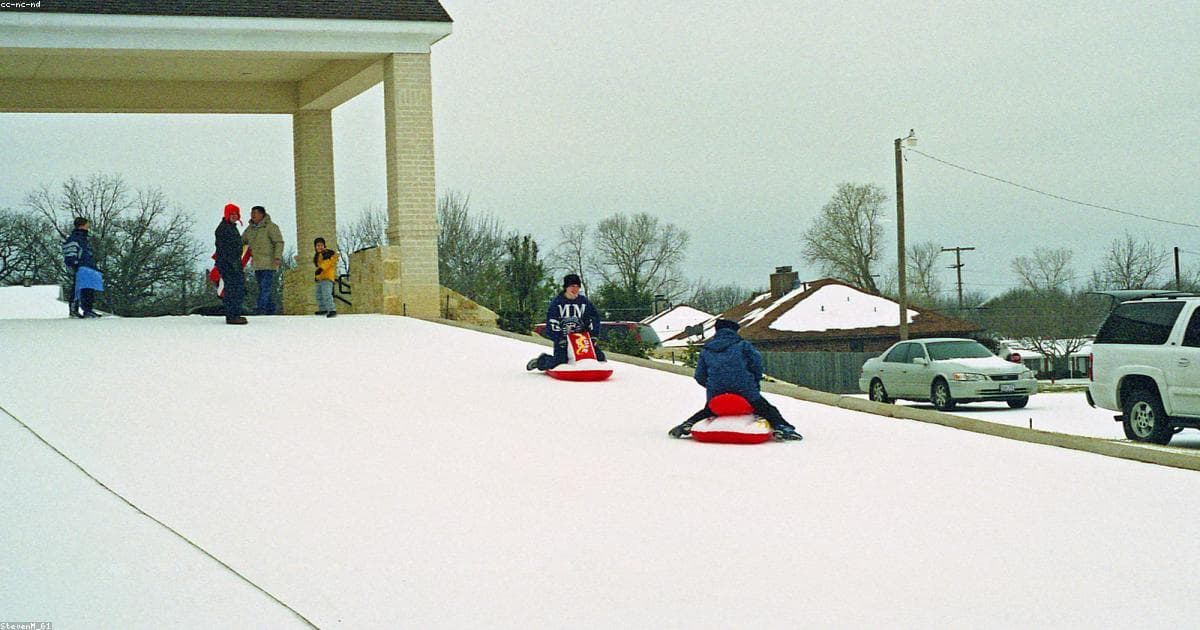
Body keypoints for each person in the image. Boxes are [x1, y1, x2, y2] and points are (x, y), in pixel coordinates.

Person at [669, 318, 802, 441]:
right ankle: (782, 427)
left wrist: (712, 385)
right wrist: (753, 382)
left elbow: (699, 375)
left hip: (716, 390)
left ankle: (688, 424)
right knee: (765, 408)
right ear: (734, 331)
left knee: (709, 410)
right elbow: (757, 365)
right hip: (743, 387)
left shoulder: (707, 349)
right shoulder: (743, 345)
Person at [526, 273, 606, 371]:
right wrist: (559, 338)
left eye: (577, 286)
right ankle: (541, 361)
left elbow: (594, 319)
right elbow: (551, 322)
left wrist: (593, 336)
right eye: (572, 286)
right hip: (563, 339)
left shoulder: (584, 302)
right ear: (566, 287)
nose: (575, 289)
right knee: (560, 361)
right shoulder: (557, 303)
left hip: (581, 339)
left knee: (600, 357)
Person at [241, 204, 284, 315]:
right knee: (262, 287)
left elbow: (279, 242)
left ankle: (261, 308)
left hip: (269, 263)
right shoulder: (249, 229)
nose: (252, 215)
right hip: (257, 263)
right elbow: (242, 241)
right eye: (251, 213)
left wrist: (277, 256)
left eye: (255, 213)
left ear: (262, 214)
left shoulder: (271, 227)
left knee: (265, 287)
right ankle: (271, 309)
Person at [62, 217, 103, 318]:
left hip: (88, 267)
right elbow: (69, 253)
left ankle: (88, 310)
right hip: (81, 267)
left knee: (89, 288)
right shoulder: (75, 238)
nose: (89, 226)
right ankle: (74, 310)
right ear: (83, 225)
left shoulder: (84, 239)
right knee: (77, 288)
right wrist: (74, 264)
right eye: (87, 224)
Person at [215, 203, 248, 325]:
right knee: (232, 289)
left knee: (237, 288)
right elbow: (225, 249)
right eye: (232, 214)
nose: (234, 216)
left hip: (233, 263)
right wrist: (232, 263)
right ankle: (232, 315)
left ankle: (235, 313)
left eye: (236, 214)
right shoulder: (223, 229)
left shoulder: (231, 227)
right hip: (228, 263)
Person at [312, 237, 339, 318]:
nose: (319, 247)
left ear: (324, 245)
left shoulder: (329, 253)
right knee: (319, 294)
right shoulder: (317, 256)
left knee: (327, 294)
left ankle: (332, 310)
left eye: (321, 245)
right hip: (320, 278)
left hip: (327, 277)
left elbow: (328, 263)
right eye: (317, 245)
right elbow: (318, 268)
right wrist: (317, 276)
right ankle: (323, 309)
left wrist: (321, 269)